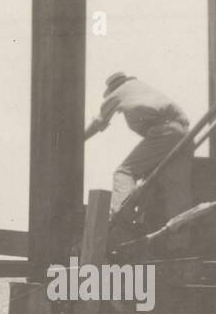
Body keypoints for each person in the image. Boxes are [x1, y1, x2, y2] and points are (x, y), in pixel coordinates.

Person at [83, 72, 194, 248]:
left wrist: (79, 139)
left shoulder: (118, 92)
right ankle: (179, 245)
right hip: (184, 133)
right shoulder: (141, 89)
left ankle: (122, 218)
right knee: (176, 191)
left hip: (164, 133)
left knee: (124, 172)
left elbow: (99, 122)